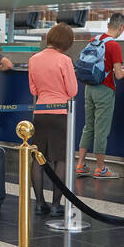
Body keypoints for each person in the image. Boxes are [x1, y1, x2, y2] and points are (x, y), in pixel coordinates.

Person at [74, 13, 124, 180]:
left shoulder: (95, 39)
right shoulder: (114, 45)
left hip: (89, 88)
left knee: (88, 127)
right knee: (101, 129)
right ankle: (100, 168)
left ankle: (80, 165)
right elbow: (119, 74)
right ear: (120, 27)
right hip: (104, 90)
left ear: (109, 24)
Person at [28, 23, 78, 217]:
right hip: (60, 114)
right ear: (66, 42)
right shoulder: (64, 60)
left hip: (39, 112)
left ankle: (40, 203)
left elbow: (33, 90)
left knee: (38, 158)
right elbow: (72, 91)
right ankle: (56, 205)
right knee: (61, 160)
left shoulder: (34, 59)